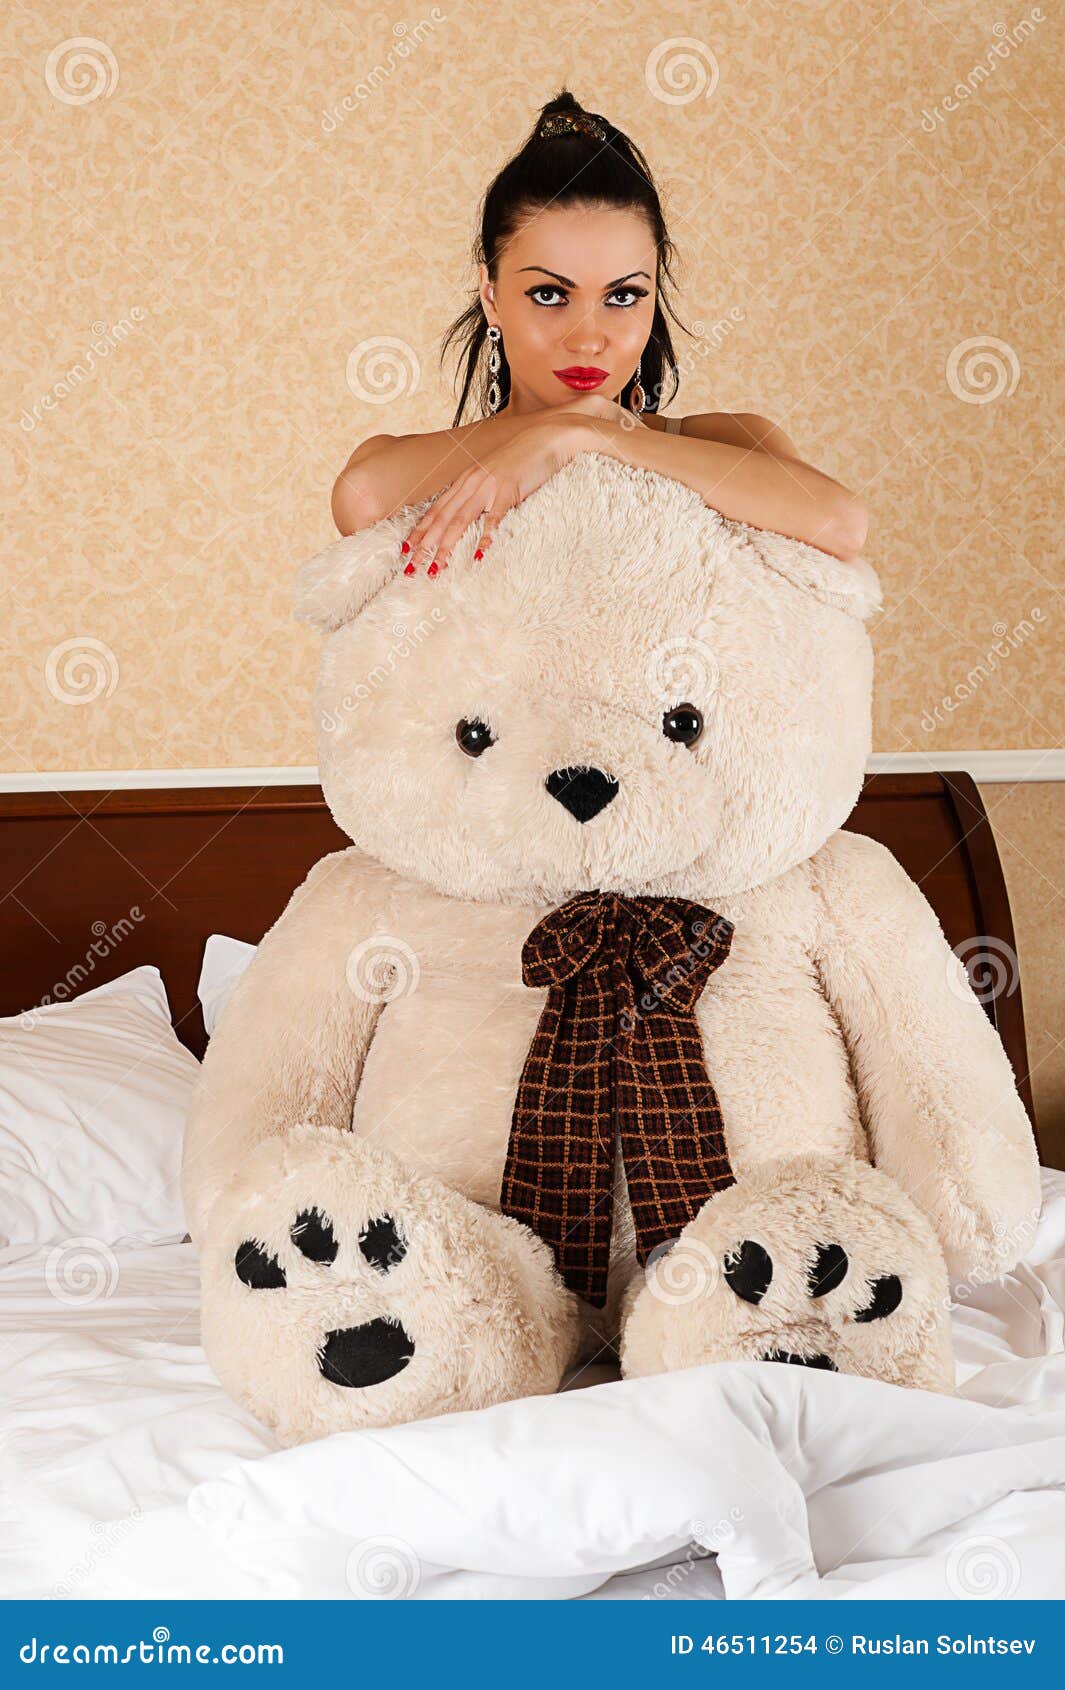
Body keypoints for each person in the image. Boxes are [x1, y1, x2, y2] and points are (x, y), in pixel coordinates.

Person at [332, 90, 868, 576]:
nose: (588, 340)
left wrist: (587, 433)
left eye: (622, 296)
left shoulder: (728, 441)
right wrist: (571, 419)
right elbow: (361, 500)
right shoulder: (406, 458)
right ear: (491, 295)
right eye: (549, 295)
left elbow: (840, 524)